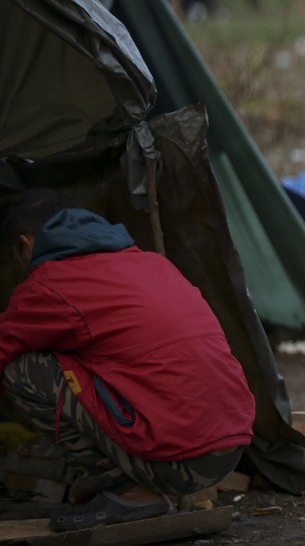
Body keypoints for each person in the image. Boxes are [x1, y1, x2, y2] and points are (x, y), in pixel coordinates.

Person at [0, 187, 255, 532]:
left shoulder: (51, 283)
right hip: (231, 444)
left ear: (27, 243)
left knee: (23, 370)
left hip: (182, 457)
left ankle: (130, 491)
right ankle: (120, 480)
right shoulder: (150, 262)